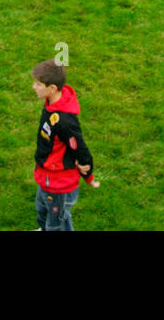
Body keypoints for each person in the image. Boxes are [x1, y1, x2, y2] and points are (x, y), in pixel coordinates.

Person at [30, 60, 95, 231]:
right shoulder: (51, 104)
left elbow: (80, 149)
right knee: (41, 212)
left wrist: (88, 176)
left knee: (57, 224)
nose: (34, 87)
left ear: (52, 88)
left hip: (59, 184)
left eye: (38, 84)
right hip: (46, 176)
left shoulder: (64, 121)